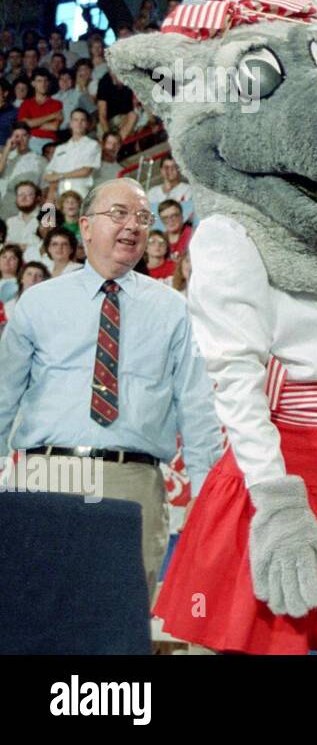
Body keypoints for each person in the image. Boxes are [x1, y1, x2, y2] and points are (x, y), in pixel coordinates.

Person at [0, 179, 223, 596]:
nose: (133, 226)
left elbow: (195, 404)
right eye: (119, 213)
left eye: (142, 217)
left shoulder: (172, 308)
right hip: (44, 475)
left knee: (121, 620)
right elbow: (3, 395)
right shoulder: (38, 302)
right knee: (36, 616)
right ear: (85, 226)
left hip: (133, 480)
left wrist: (207, 489)